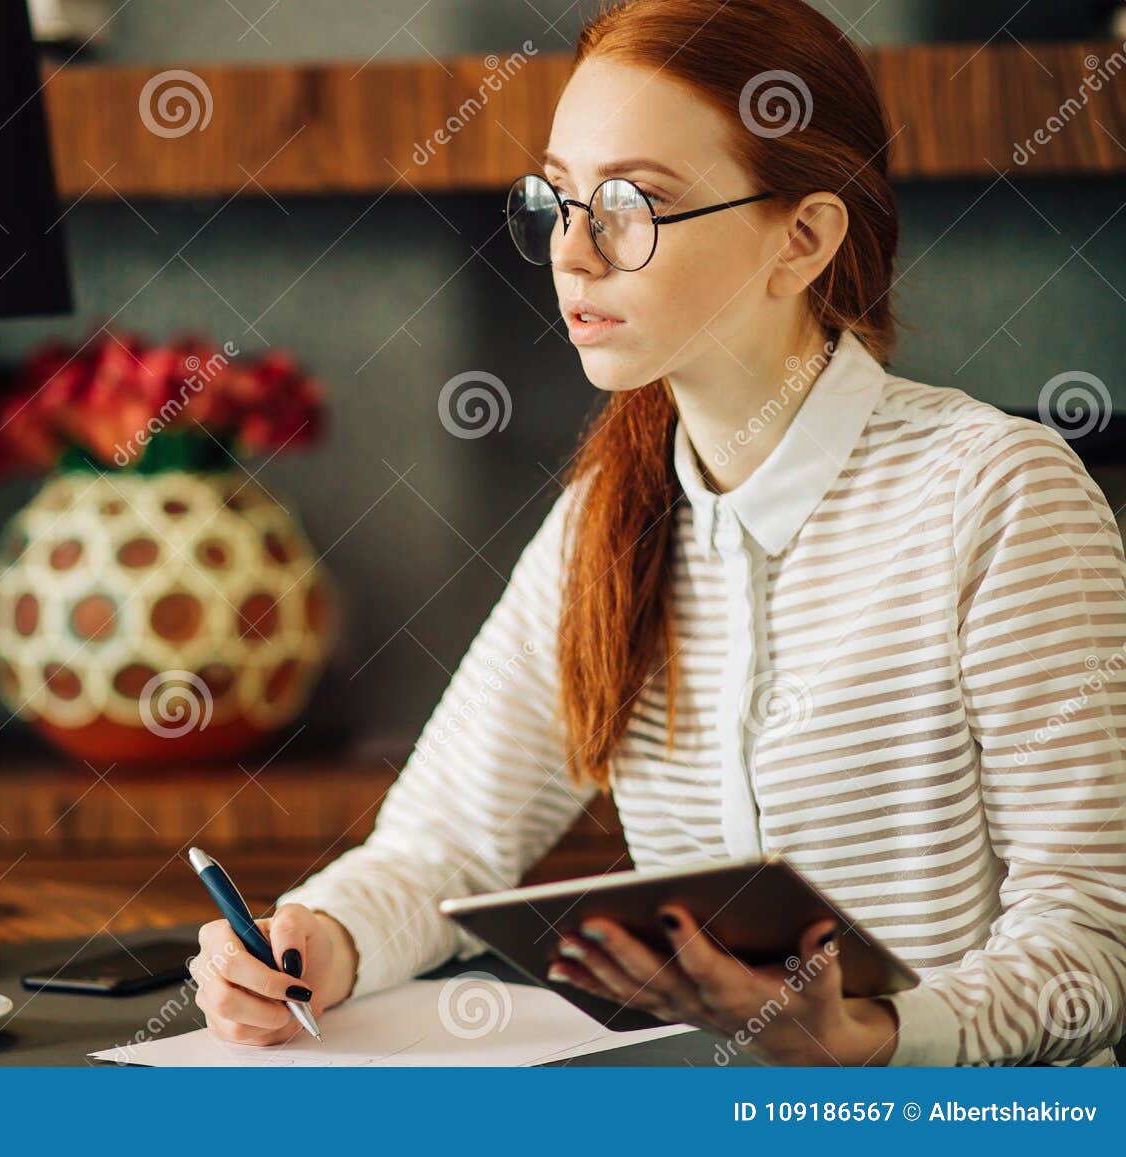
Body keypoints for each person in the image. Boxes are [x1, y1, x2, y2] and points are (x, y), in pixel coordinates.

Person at [189, 0, 1126, 1066]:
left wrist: (870, 1037)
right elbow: (438, 848)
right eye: (560, 199)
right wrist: (318, 941)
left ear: (802, 239)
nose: (571, 253)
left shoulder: (995, 493)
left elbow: (1094, 945)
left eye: (633, 203)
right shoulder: (606, 514)